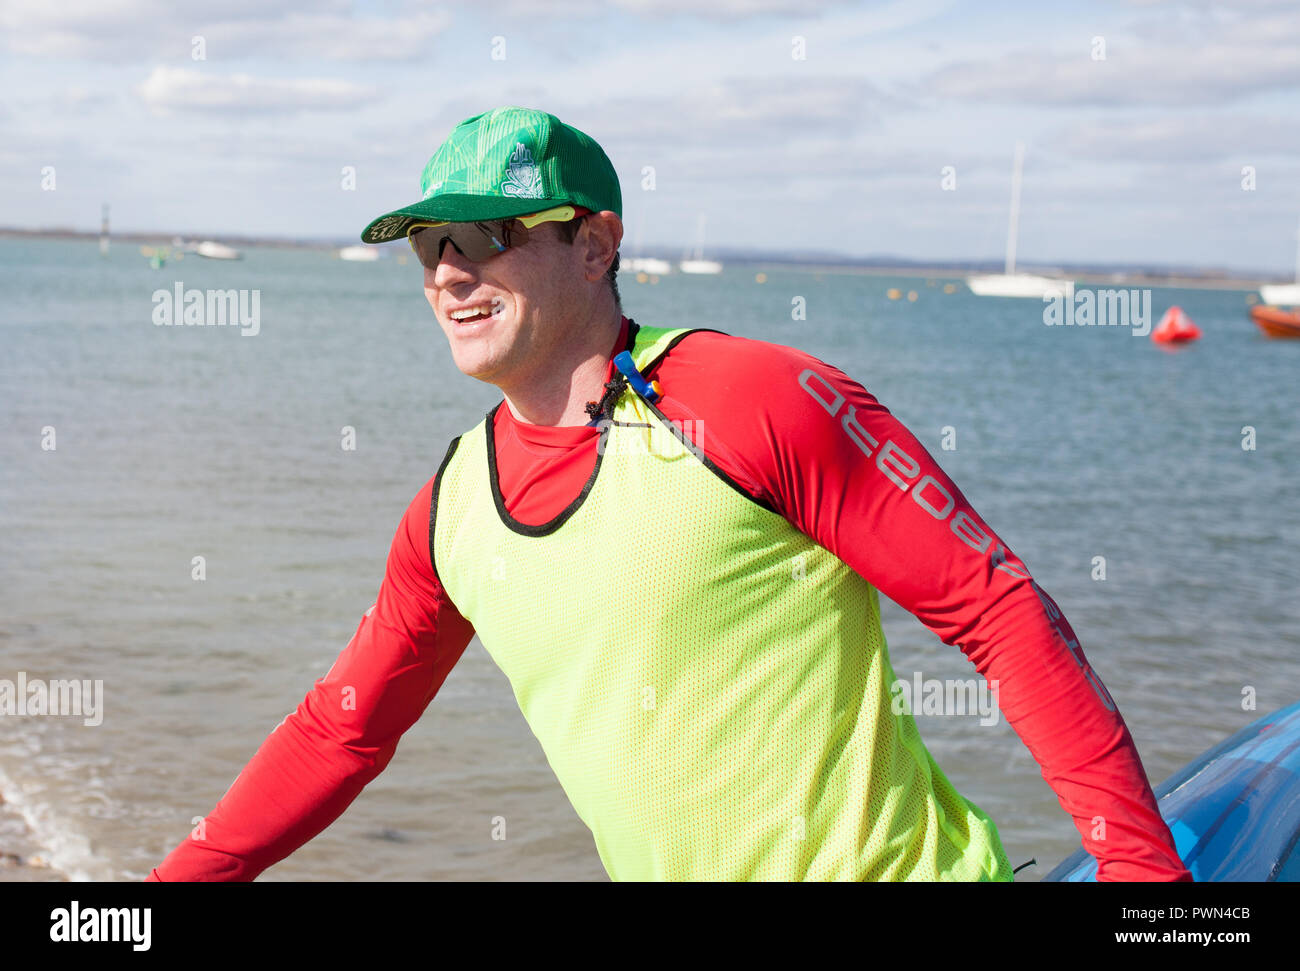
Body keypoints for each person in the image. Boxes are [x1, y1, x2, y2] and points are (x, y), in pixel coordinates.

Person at [148, 106, 1191, 882]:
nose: (448, 274)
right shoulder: (453, 506)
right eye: (428, 244)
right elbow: (341, 731)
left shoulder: (751, 399)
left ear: (595, 242)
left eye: (486, 237)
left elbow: (997, 610)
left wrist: (1147, 886)